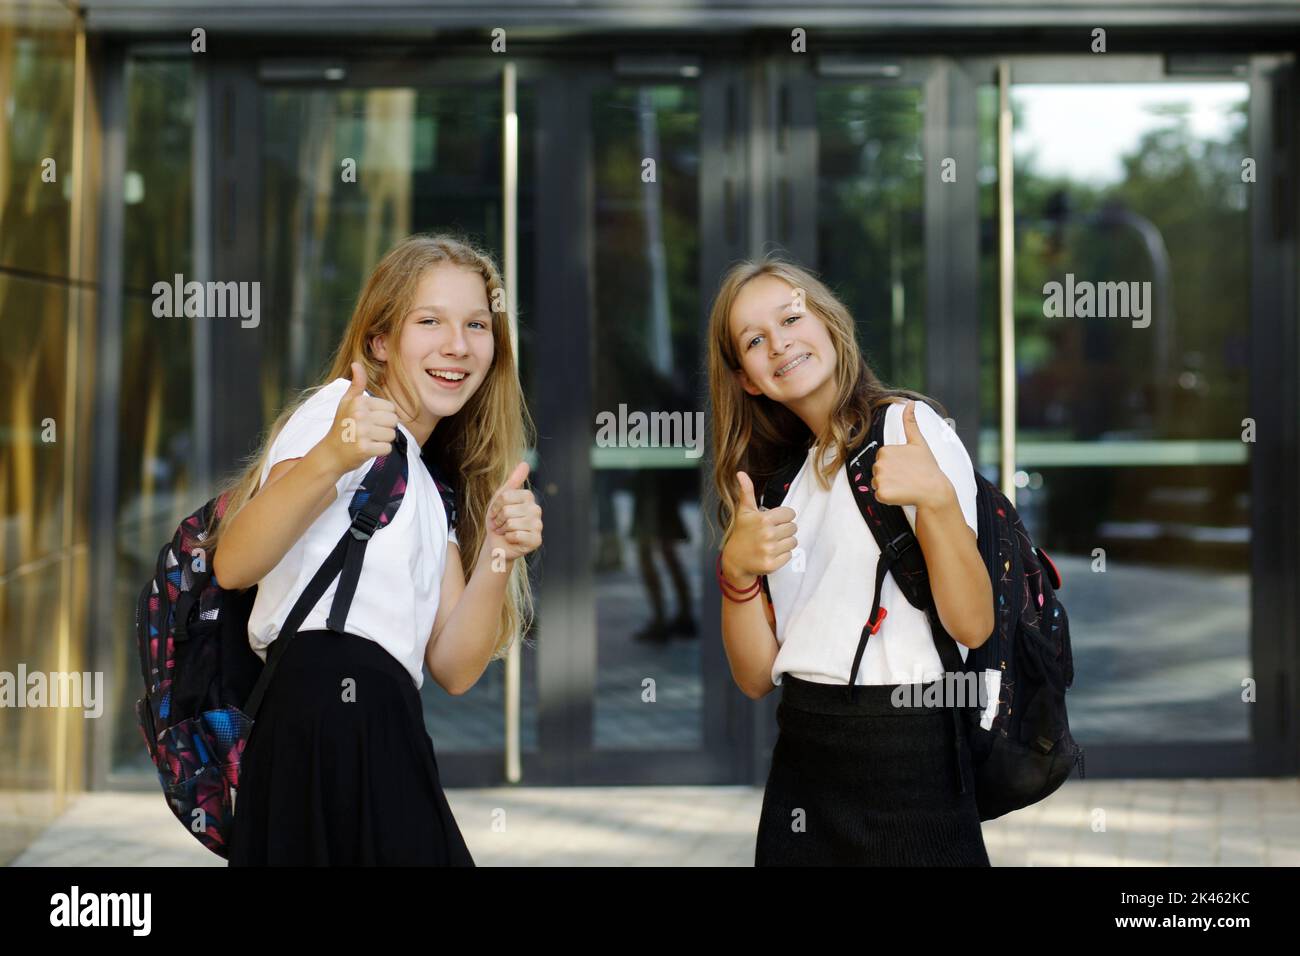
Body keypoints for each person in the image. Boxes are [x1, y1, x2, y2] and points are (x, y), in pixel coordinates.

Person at [208, 234, 542, 865]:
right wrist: (333, 455)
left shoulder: (424, 482)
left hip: (386, 724)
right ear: (380, 342)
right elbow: (235, 561)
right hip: (324, 717)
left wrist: (498, 552)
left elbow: (454, 666)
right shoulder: (342, 413)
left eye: (476, 323)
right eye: (430, 321)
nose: (457, 344)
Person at [708, 258, 993, 866]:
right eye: (755, 340)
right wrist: (735, 576)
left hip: (908, 754)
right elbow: (756, 677)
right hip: (804, 757)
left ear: (830, 323)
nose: (779, 342)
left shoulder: (909, 429)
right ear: (748, 378)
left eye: (790, 317)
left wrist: (937, 500)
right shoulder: (779, 485)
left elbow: (973, 624)